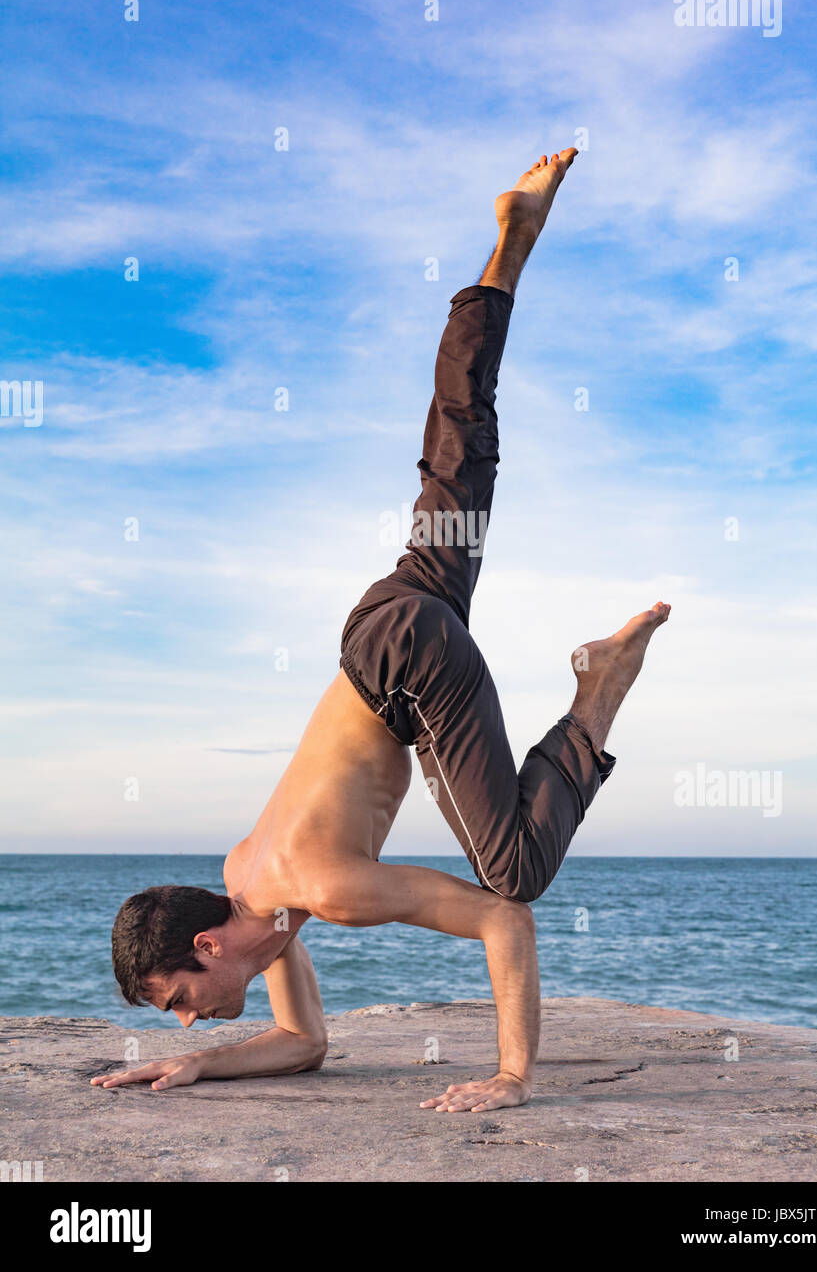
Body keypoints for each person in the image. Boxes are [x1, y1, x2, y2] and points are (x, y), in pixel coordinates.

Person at [94, 150, 669, 1113]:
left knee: (512, 872)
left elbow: (502, 925)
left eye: (181, 1007)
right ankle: (509, 248)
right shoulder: (255, 883)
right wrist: (196, 1067)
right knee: (458, 450)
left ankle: (596, 696)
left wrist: (511, 1077)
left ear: (208, 947)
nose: (188, 1022)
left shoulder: (320, 889)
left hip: (411, 666)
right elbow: (302, 1044)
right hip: (382, 624)